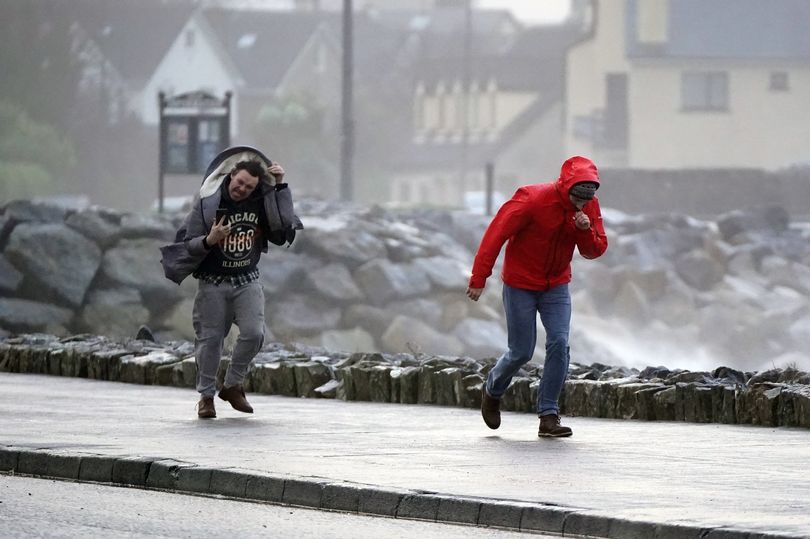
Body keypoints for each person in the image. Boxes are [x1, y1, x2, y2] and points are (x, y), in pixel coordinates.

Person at [466, 156, 608, 437]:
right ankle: (492, 390)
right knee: (521, 351)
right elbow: (496, 234)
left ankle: (548, 416)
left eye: (586, 200)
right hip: (520, 284)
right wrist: (479, 278)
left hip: (556, 286)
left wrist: (585, 230)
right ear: (566, 188)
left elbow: (594, 250)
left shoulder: (589, 206)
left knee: (559, 343)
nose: (581, 205)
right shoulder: (532, 199)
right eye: (577, 199)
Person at [160, 146, 301, 419]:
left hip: (247, 279)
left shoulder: (260, 201)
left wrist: (280, 185)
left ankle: (233, 385)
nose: (242, 189)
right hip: (212, 282)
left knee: (254, 333)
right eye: (240, 182)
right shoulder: (208, 202)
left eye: (249, 187)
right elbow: (188, 243)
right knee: (211, 340)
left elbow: (283, 228)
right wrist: (210, 239)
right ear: (231, 175)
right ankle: (206, 397)